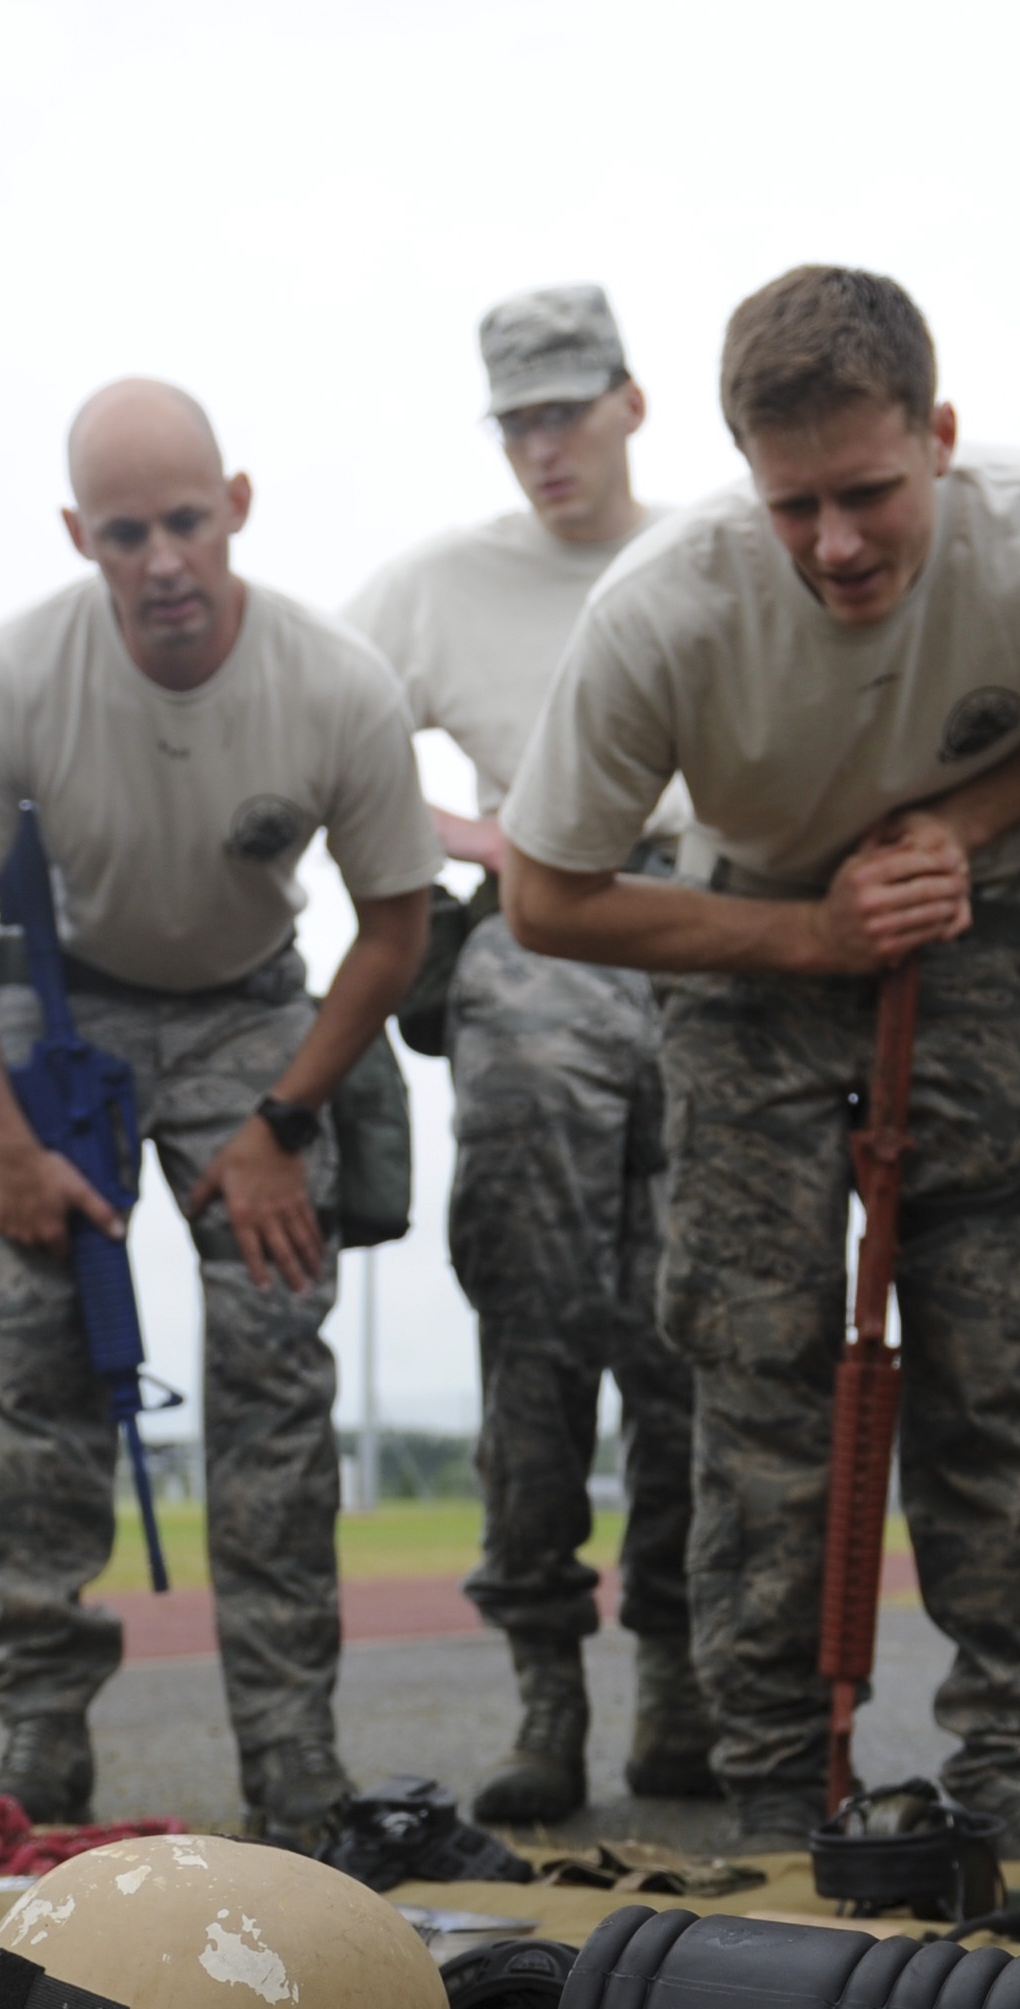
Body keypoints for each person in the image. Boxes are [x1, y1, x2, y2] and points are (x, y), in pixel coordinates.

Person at [502, 265, 1020, 1849]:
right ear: (742, 478)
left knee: (995, 1371)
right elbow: (546, 898)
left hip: (967, 940)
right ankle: (776, 1783)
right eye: (794, 505)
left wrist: (960, 822)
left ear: (941, 438)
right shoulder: (662, 611)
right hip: (750, 948)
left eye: (871, 493)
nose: (835, 544)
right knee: (758, 1382)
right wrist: (812, 936)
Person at [0, 379, 436, 1847]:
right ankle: (36, 1742)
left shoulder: (336, 684)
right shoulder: (10, 678)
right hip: (61, 1006)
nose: (164, 563)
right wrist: (10, 1148)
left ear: (237, 505)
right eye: (125, 534)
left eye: (188, 522)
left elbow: (395, 926)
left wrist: (283, 1124)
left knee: (274, 1340)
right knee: (29, 1325)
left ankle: (294, 1757)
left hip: (250, 1013)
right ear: (80, 535)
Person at [343, 287, 705, 1828]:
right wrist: (468, 836)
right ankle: (548, 1693)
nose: (544, 448)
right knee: (536, 1330)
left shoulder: (712, 549)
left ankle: (681, 1679)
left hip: (703, 934)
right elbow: (324, 727)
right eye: (517, 424)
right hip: (538, 945)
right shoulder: (438, 584)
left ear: (632, 401)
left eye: (567, 412)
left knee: (701, 1333)